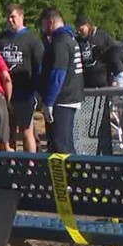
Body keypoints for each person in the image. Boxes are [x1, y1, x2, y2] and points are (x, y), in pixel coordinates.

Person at [0, 4, 44, 153]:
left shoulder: (32, 39)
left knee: (26, 131)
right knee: (7, 134)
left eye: (13, 17)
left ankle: (30, 165)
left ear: (22, 17)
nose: (10, 20)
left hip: (25, 93)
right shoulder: (0, 40)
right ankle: (11, 166)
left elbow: (39, 67)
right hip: (5, 94)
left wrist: (37, 92)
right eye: (8, 17)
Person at [39, 9, 84, 154]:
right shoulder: (70, 38)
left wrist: (49, 101)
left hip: (62, 99)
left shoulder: (60, 42)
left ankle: (69, 176)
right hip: (70, 96)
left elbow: (58, 73)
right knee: (65, 144)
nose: (42, 29)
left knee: (61, 147)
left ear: (50, 23)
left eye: (43, 25)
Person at [75, 16, 107, 90]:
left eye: (81, 29)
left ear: (88, 25)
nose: (79, 32)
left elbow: (112, 53)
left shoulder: (101, 35)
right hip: (85, 82)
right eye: (77, 31)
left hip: (101, 80)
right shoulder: (77, 41)